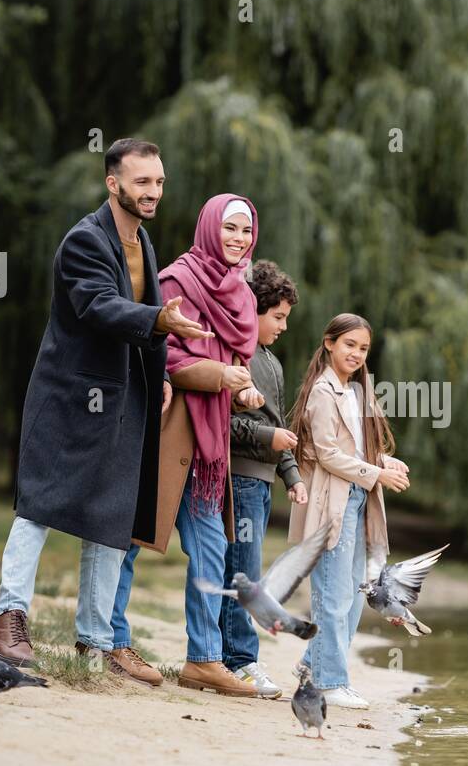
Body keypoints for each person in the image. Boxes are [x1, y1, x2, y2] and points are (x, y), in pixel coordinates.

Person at [0, 138, 211, 685]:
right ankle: (7, 620)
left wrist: (156, 378)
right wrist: (160, 319)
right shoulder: (85, 240)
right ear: (114, 184)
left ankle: (94, 643)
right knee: (38, 505)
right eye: (142, 182)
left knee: (111, 520)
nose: (153, 192)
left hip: (123, 403)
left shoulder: (144, 242)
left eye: (158, 182)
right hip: (69, 398)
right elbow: (97, 306)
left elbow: (137, 322)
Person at [120, 193, 265, 698]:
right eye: (229, 228)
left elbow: (231, 366)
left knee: (212, 547)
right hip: (165, 429)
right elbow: (160, 355)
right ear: (209, 227)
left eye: (245, 231)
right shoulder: (177, 279)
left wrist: (241, 390)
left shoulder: (243, 297)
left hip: (208, 445)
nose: (238, 239)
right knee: (133, 538)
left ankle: (203, 659)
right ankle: (111, 641)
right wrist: (219, 375)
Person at [286, 313, 410, 710]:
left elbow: (354, 448)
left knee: (357, 595)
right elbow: (326, 453)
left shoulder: (355, 392)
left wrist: (384, 461)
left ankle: (313, 664)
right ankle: (329, 682)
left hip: (359, 499)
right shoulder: (323, 392)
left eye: (363, 348)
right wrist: (375, 473)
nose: (356, 354)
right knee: (333, 596)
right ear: (329, 343)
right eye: (349, 345)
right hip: (332, 501)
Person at [217, 260, 307, 698]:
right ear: (253, 309)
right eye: (278, 317)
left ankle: (226, 658)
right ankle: (240, 661)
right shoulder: (238, 357)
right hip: (239, 479)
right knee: (244, 575)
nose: (284, 326)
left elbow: (279, 421)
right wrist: (271, 439)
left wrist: (290, 473)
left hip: (263, 483)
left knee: (243, 570)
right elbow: (226, 424)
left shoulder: (271, 361)